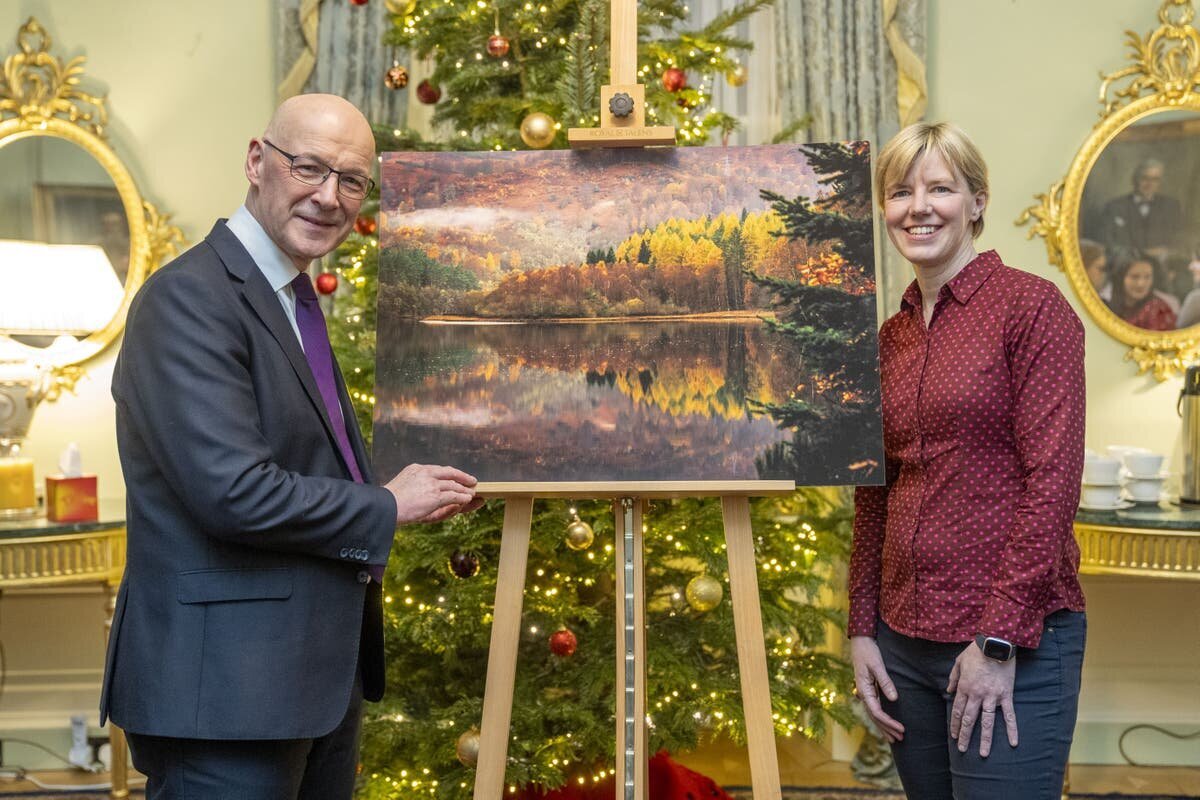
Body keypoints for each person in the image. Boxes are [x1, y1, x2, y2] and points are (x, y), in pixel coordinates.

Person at [99, 93, 483, 799]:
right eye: (310, 168)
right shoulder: (187, 300)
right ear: (256, 161)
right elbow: (232, 492)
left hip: (308, 686)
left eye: (352, 181)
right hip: (225, 701)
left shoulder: (292, 297)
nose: (329, 197)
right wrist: (385, 506)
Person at [849, 122, 1087, 800]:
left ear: (977, 202)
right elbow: (875, 489)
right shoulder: (888, 340)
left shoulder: (1031, 311)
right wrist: (862, 628)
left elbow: (1052, 485)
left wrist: (999, 641)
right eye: (899, 192)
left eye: (940, 188)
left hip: (1013, 644)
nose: (917, 207)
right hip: (902, 645)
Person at [1098, 157, 1183, 264]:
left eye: (1155, 179)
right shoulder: (1114, 207)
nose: (1149, 184)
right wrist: (1140, 253)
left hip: (1162, 268)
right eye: (1144, 178)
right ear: (1134, 179)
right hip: (1125, 267)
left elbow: (1180, 242)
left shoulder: (1171, 206)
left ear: (1160, 182)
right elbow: (1107, 244)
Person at [1106, 252, 1177, 330]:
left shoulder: (1159, 309)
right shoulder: (1105, 306)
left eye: (1147, 277)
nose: (1141, 284)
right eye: (1134, 277)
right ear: (1120, 278)